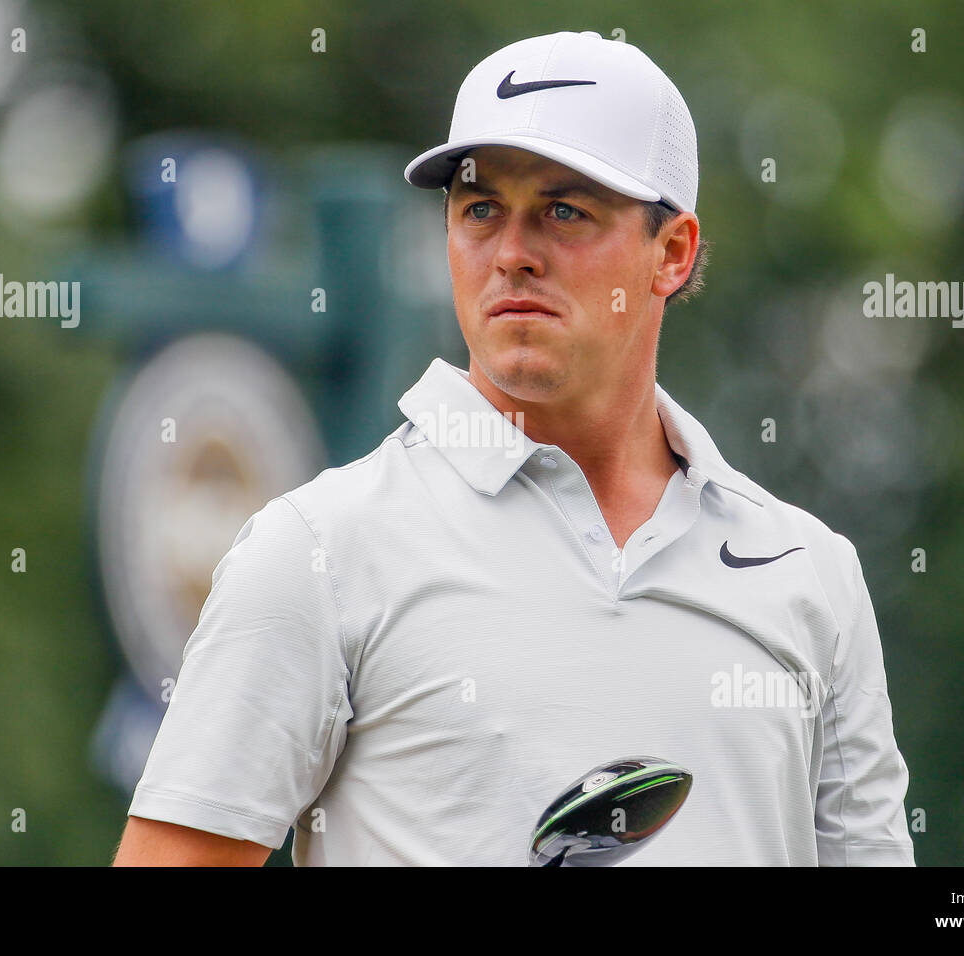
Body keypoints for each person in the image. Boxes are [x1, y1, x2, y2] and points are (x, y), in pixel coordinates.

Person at [113, 30, 914, 866]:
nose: (512, 255)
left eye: (564, 211)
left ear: (670, 253)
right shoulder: (315, 552)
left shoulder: (810, 573)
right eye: (480, 210)